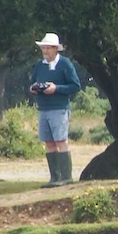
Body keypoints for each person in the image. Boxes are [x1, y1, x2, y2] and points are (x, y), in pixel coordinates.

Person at [29, 32, 82, 187]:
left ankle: (66, 176)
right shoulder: (40, 65)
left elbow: (75, 86)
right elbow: (33, 82)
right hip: (43, 108)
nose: (45, 51)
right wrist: (34, 88)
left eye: (47, 48)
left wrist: (56, 88)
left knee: (61, 141)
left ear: (55, 49)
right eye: (43, 48)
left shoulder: (65, 64)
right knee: (49, 142)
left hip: (59, 108)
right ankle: (54, 177)